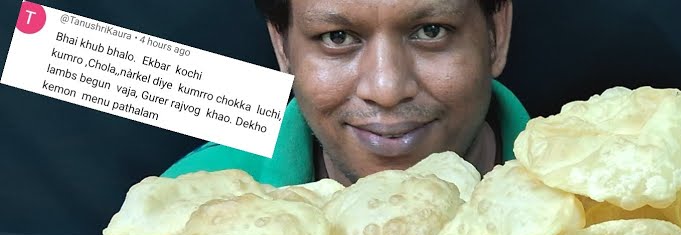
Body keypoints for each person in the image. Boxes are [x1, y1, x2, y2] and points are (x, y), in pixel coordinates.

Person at [162, 0, 529, 186]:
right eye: (337, 37)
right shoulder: (183, 208)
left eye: (431, 31)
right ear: (282, 47)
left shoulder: (584, 198)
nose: (386, 90)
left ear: (497, 32)